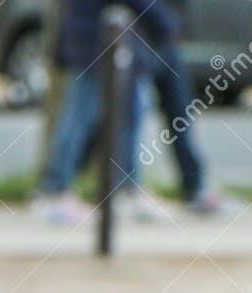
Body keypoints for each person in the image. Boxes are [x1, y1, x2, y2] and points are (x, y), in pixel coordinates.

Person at [35, 0, 176, 224]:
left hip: (104, 40)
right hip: (96, 42)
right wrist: (163, 23)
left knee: (125, 119)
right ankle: (55, 191)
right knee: (79, 119)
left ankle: (126, 187)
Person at [135, 1, 227, 214]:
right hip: (136, 36)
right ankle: (124, 189)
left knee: (180, 115)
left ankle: (195, 186)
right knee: (128, 118)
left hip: (164, 38)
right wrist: (165, 20)